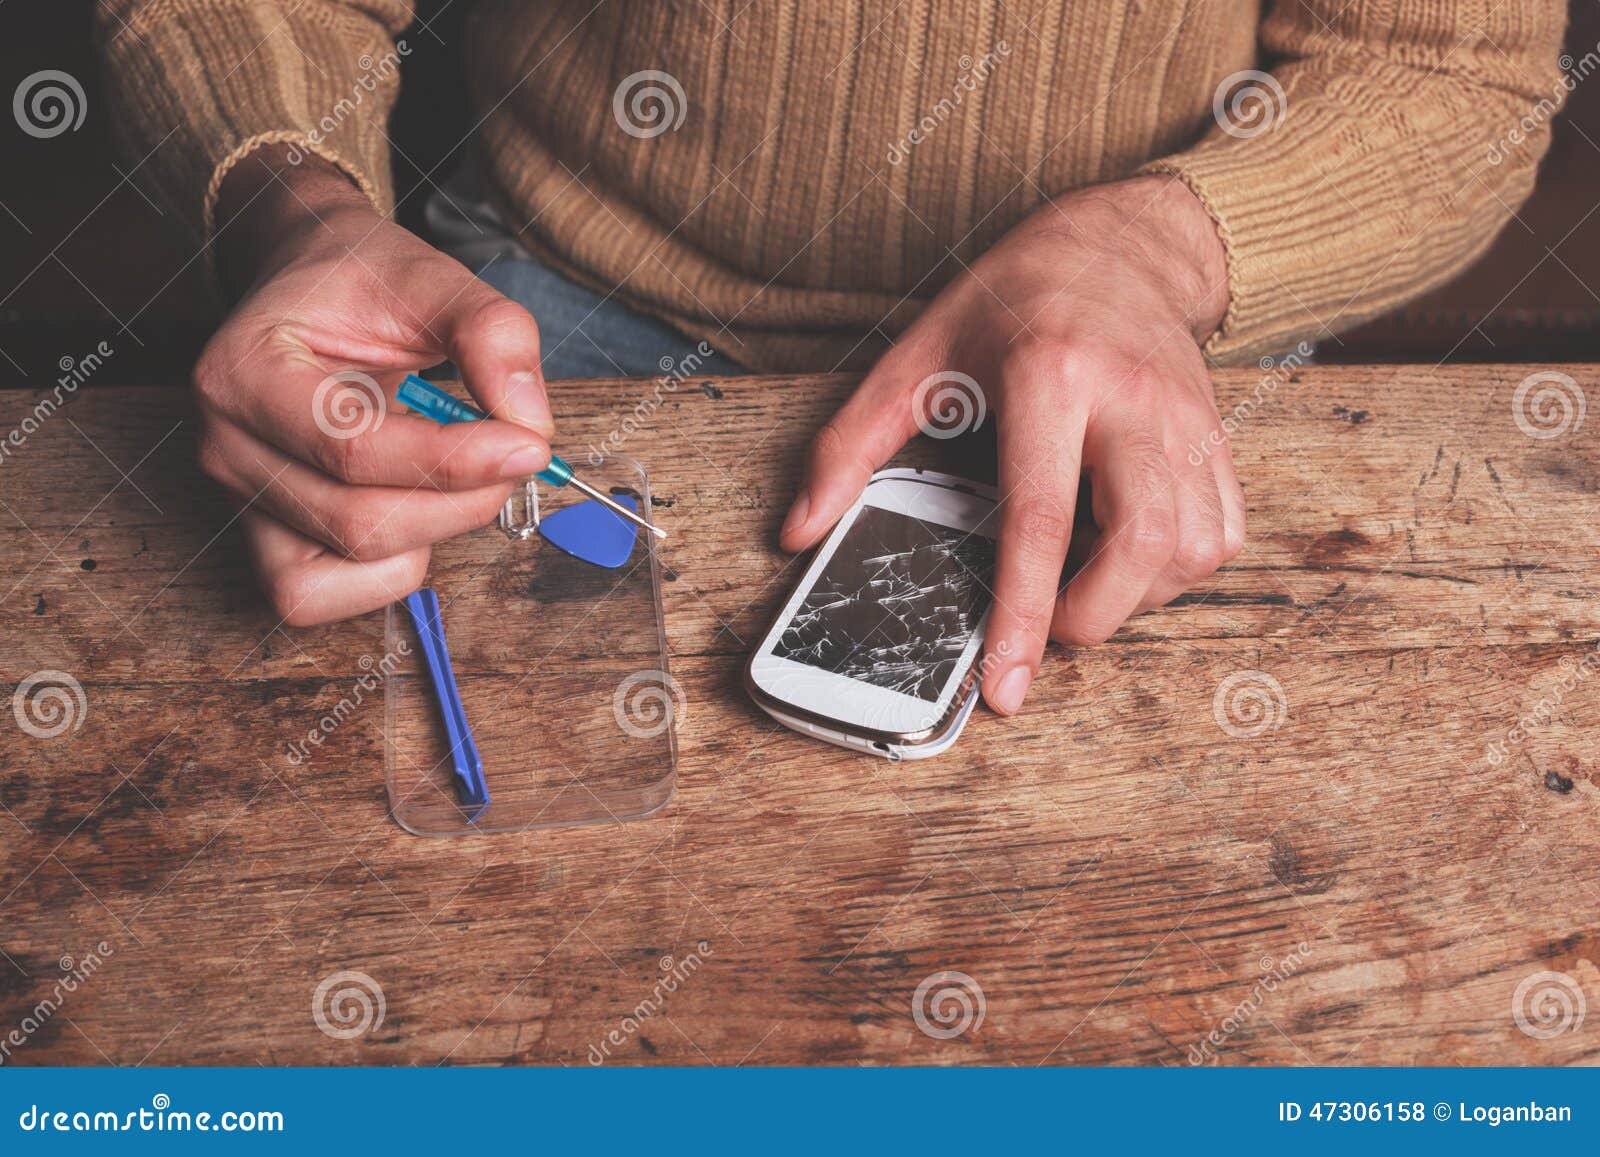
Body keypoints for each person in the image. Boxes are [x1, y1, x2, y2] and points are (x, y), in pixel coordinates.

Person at [97, 1, 1565, 716]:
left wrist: (1163, 254)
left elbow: (1447, 65)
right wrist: (290, 201)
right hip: (549, 295)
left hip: (1154, 320)